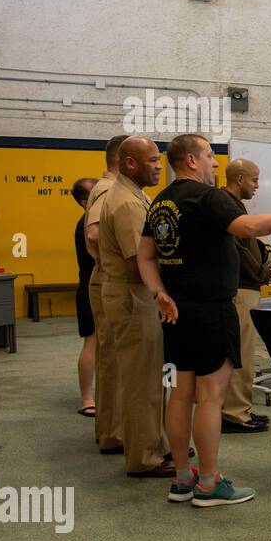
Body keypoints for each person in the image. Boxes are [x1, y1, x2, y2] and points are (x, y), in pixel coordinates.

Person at [138, 134, 271, 507]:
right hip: (211, 311)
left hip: (175, 312)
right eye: (210, 156)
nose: (215, 164)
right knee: (210, 399)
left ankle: (183, 478)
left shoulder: (161, 202)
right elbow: (250, 228)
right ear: (192, 160)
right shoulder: (208, 197)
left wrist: (158, 293)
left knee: (179, 396)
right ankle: (209, 484)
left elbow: (144, 257)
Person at [100, 136, 172, 478]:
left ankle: (153, 444)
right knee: (142, 381)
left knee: (145, 377)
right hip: (133, 295)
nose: (159, 166)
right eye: (153, 160)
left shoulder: (134, 195)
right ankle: (145, 457)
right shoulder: (127, 202)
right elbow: (136, 263)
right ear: (130, 163)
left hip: (133, 294)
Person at [220, 158, 271, 434]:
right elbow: (238, 251)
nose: (256, 185)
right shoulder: (228, 205)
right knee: (241, 352)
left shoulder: (232, 205)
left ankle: (235, 408)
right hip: (242, 287)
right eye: (254, 179)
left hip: (243, 285)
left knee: (240, 351)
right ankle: (234, 413)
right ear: (239, 179)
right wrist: (263, 273)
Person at [84, 134, 129, 455]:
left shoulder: (111, 188)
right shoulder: (109, 189)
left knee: (111, 357)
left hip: (107, 277)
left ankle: (112, 429)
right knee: (113, 359)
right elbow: (95, 231)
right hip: (111, 279)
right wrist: (126, 254)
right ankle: (114, 432)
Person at [72, 178, 98, 418]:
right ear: (84, 202)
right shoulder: (88, 224)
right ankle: (87, 398)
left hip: (101, 288)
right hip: (89, 289)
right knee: (92, 341)